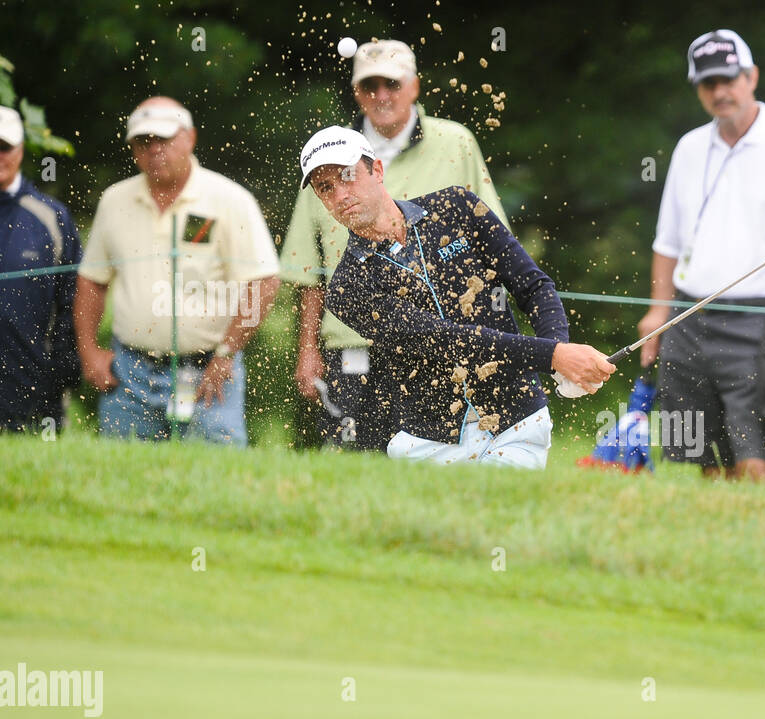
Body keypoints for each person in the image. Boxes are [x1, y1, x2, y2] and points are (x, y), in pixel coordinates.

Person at [300, 127, 612, 469]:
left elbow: (532, 286)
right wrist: (553, 355)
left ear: (376, 170)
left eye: (348, 176)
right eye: (326, 188)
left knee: (502, 511)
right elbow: (446, 339)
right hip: (429, 442)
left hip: (515, 419)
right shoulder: (347, 287)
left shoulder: (457, 207)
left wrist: (559, 349)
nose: (341, 194)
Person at [281, 39, 510, 451]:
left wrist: (487, 323)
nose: (381, 95)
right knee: (354, 466)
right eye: (370, 86)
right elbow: (308, 269)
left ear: (414, 86)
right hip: (353, 342)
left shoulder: (456, 142)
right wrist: (307, 348)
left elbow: (492, 240)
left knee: (448, 464)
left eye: (391, 83)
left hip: (444, 338)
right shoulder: (324, 160)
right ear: (356, 93)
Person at [636, 29, 765, 481]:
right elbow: (666, 243)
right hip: (690, 317)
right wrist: (657, 312)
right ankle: (720, 548)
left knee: (757, 459)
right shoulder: (689, 147)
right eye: (709, 83)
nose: (720, 91)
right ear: (698, 88)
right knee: (706, 458)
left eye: (729, 79)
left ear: (752, 77)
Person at [75, 98, 279, 445]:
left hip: (211, 371)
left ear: (190, 138)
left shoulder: (230, 199)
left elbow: (264, 282)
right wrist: (89, 351)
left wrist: (227, 353)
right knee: (123, 481)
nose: (154, 149)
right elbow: (92, 280)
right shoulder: (114, 200)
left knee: (220, 479)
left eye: (164, 139)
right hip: (130, 372)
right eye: (143, 141)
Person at [0, 105, 83, 434]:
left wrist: (62, 373)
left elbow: (74, 299)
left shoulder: (52, 218)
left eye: (4, 147)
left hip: (33, 390)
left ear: (20, 150)